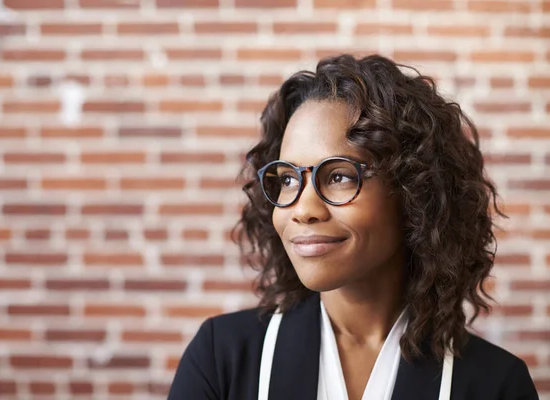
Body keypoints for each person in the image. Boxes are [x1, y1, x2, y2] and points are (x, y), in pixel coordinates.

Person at [167, 54, 539, 400]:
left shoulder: (495, 385)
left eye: (340, 176)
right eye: (289, 179)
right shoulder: (222, 359)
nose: (303, 209)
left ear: (414, 192)